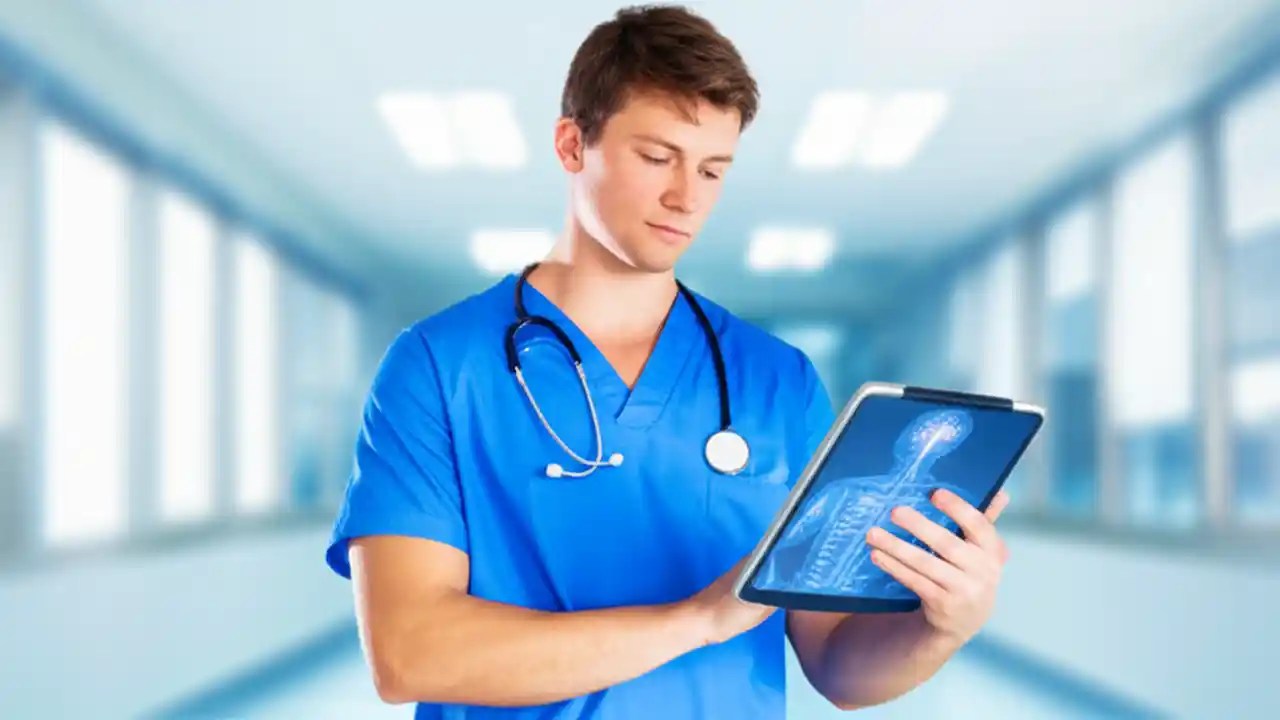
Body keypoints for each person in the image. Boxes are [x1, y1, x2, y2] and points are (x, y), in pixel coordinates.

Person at [325, 5, 1013, 718]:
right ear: (571, 145)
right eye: (657, 158)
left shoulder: (777, 381)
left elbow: (836, 667)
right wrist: (696, 620)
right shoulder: (441, 366)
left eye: (713, 170)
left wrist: (940, 627)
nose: (686, 198)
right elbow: (410, 654)